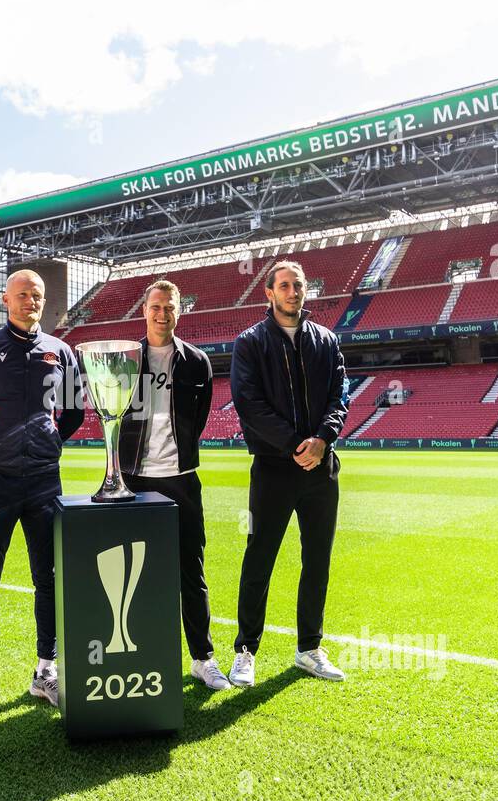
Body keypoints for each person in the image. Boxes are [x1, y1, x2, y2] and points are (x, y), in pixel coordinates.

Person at [0, 269, 85, 722]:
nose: (30, 301)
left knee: (51, 578)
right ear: (6, 299)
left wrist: (50, 441)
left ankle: (47, 671)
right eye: (22, 294)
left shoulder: (59, 351)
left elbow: (74, 411)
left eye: (37, 295)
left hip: (45, 481)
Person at [228, 260, 347, 687]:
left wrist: (322, 439)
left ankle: (309, 648)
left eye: (298, 284)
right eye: (284, 285)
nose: (293, 291)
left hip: (321, 469)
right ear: (269, 293)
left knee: (317, 560)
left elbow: (340, 394)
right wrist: (296, 444)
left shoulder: (327, 340)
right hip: (275, 470)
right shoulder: (251, 343)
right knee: (260, 558)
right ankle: (245, 650)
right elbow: (249, 403)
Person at [116, 279, 228, 690]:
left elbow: (196, 420)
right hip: (134, 479)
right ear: (145, 310)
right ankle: (141, 654)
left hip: (181, 481)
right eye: (156, 307)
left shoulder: (196, 361)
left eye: (170, 307)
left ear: (181, 311)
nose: (163, 314)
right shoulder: (124, 359)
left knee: (190, 571)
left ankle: (203, 658)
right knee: (134, 570)